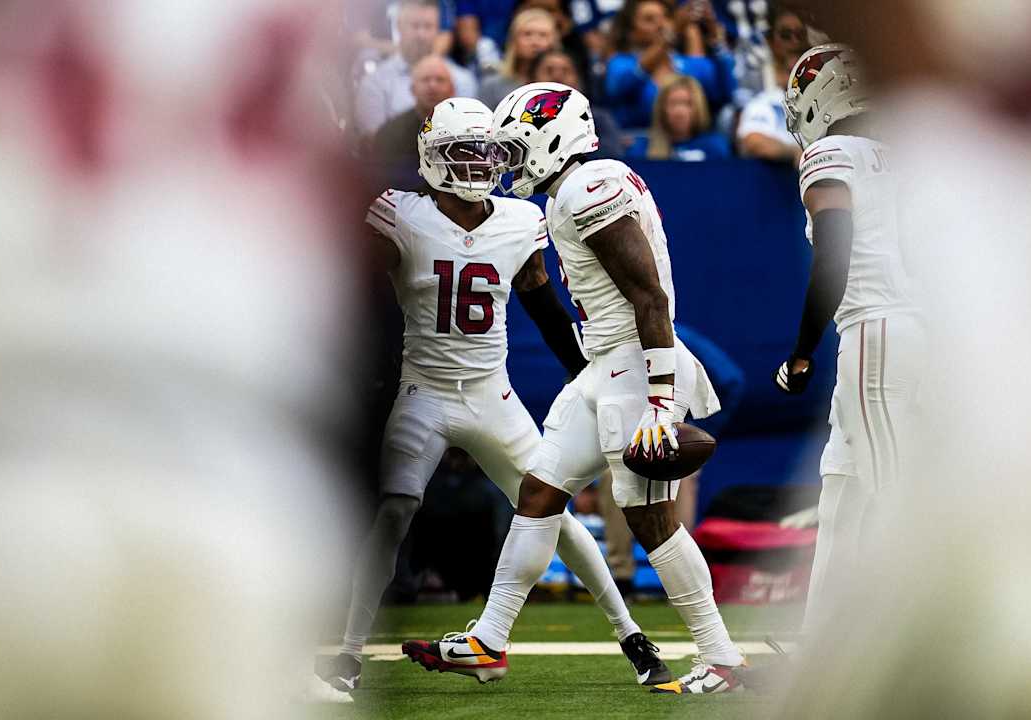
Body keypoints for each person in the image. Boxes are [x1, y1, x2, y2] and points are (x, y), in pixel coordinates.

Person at [314, 97, 669, 700]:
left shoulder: (517, 219)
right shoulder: (401, 216)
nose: (479, 164)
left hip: (493, 394)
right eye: (464, 151)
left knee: (550, 508)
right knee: (395, 508)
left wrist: (585, 375)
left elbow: (547, 310)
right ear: (431, 157)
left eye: (488, 151)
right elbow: (359, 306)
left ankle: (634, 637)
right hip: (422, 392)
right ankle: (347, 655)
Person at [402, 83, 747, 695]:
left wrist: (663, 402)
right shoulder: (573, 190)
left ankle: (721, 657)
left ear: (550, 134)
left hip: (633, 369)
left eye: (515, 143)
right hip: (603, 365)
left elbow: (650, 297)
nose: (507, 159)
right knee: (538, 491)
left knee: (651, 518)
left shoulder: (589, 186)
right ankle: (489, 639)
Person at [771, 45, 923, 632]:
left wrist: (802, 350)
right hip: (913, 325)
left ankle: (926, 650)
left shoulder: (833, 153)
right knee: (843, 491)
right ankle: (819, 643)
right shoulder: (904, 157)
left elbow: (833, 256)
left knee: (894, 497)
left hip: (875, 328)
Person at [354, 0, 477, 138]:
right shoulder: (374, 83)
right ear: (399, 27)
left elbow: (469, 138)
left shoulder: (462, 80)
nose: (421, 35)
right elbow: (374, 142)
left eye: (427, 26)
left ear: (438, 29)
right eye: (414, 26)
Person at [604, 0, 735, 129]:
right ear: (630, 31)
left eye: (665, 16)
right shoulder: (619, 64)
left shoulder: (688, 64)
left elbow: (726, 93)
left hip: (693, 145)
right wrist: (671, 34)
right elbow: (627, 83)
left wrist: (715, 38)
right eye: (649, 19)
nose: (661, 24)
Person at [734, 3, 813, 162]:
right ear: (770, 41)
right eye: (786, 35)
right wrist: (795, 153)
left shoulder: (831, 94)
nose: (794, 41)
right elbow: (753, 141)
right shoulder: (766, 103)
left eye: (801, 34)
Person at [530, 49, 627, 158]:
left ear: (578, 80)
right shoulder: (520, 117)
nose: (557, 76)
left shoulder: (598, 119)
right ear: (532, 79)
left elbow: (612, 155)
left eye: (565, 71)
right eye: (549, 71)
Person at [370, 55, 456, 167]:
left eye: (440, 80)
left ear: (452, 89)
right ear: (412, 89)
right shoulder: (390, 133)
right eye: (425, 79)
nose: (432, 86)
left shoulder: (468, 131)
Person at [627, 75, 730, 160]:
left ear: (698, 108)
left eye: (687, 104)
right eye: (673, 103)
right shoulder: (642, 149)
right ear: (662, 108)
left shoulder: (715, 147)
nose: (679, 112)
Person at [478, 9, 560, 109]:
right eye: (527, 34)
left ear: (554, 42)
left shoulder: (563, 84)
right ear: (514, 40)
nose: (535, 42)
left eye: (543, 35)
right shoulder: (493, 85)